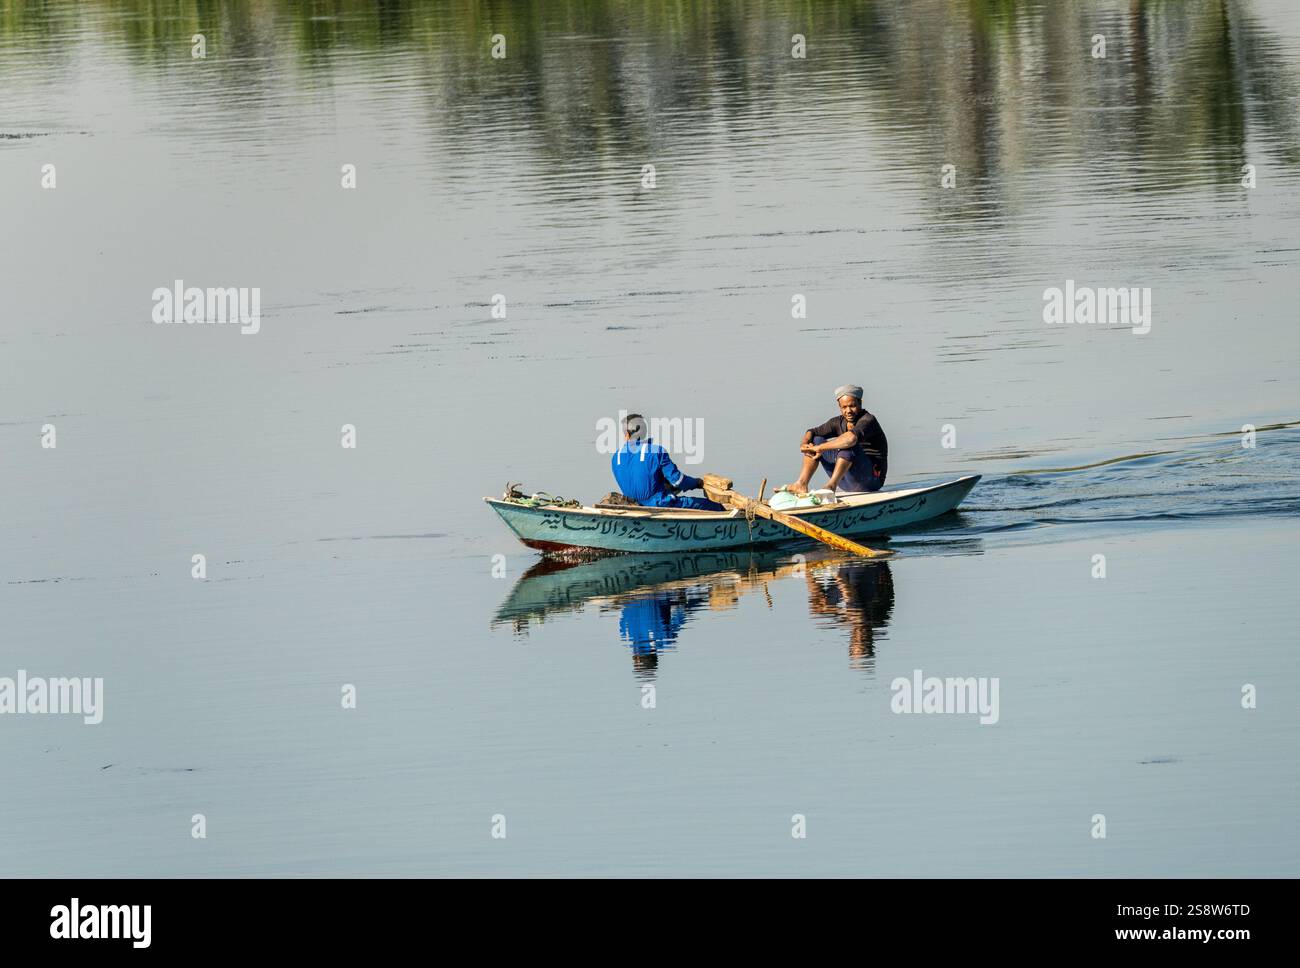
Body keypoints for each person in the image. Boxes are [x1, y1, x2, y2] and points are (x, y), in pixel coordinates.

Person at [786, 384, 888, 494]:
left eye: (852, 406)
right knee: (815, 440)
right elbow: (812, 431)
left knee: (847, 445)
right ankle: (801, 484)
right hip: (847, 483)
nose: (848, 411)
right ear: (840, 407)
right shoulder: (837, 422)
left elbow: (850, 439)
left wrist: (820, 448)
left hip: (871, 481)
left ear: (860, 403)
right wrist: (804, 443)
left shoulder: (868, 420)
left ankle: (830, 486)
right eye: (844, 407)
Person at [611, 413, 724, 510]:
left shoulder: (616, 457)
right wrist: (697, 483)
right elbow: (678, 481)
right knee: (714, 506)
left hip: (634, 505)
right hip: (660, 504)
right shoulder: (656, 451)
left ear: (626, 435)